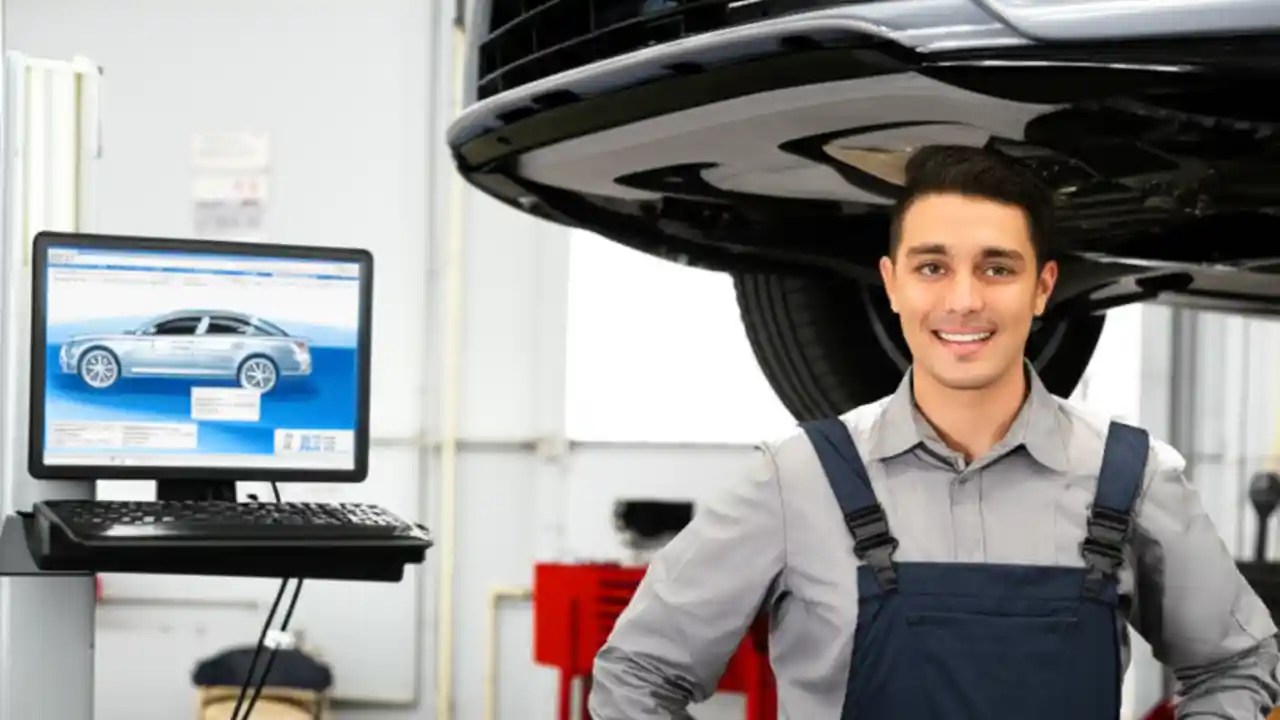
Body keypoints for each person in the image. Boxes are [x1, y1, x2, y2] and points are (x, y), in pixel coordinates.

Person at [587, 144, 1280, 719]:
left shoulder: (1130, 477)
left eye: (997, 268)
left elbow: (1238, 663)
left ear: (1043, 288)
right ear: (892, 284)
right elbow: (637, 675)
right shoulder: (799, 479)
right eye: (932, 267)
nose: (963, 300)